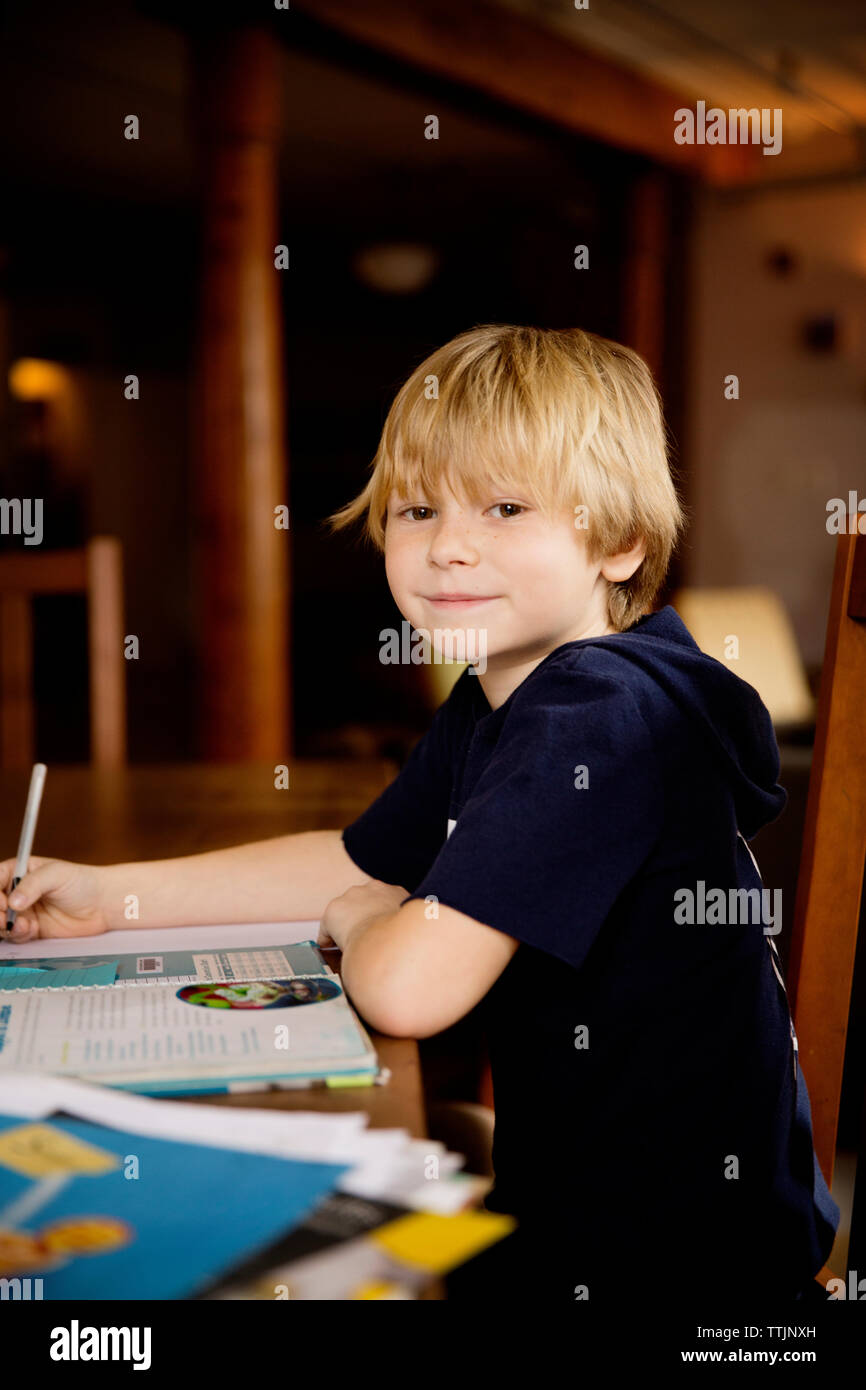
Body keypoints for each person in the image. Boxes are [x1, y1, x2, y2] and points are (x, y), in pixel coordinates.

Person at [0, 324, 840, 1306]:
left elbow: (405, 989)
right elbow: (360, 858)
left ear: (621, 544)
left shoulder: (597, 717)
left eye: (505, 507)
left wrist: (366, 920)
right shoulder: (502, 697)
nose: (447, 546)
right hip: (596, 1220)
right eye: (417, 508)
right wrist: (110, 896)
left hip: (675, 1279)